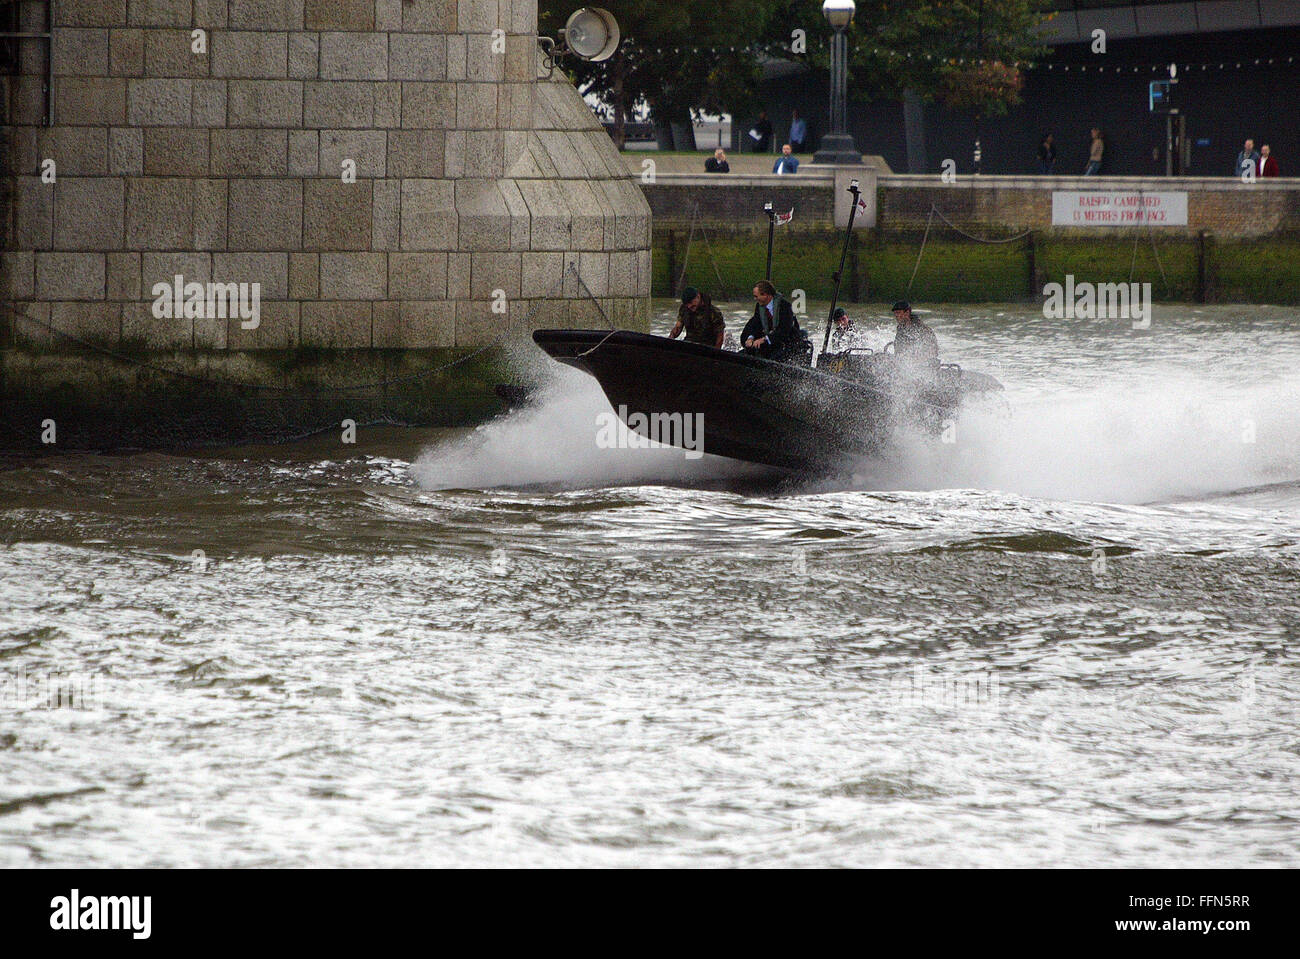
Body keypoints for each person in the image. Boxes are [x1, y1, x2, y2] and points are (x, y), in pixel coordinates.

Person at [741, 280, 802, 361]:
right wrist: (750, 338)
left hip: (786, 342)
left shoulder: (785, 306)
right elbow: (755, 324)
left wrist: (765, 339)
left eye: (756, 296)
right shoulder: (759, 307)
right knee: (745, 354)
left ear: (766, 295)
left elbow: (784, 329)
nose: (755, 299)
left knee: (775, 356)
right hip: (769, 344)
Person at [890, 301, 939, 377]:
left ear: (907, 313)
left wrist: (916, 359)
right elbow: (898, 349)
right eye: (895, 313)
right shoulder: (901, 328)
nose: (896, 316)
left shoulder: (921, 328)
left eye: (899, 313)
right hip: (906, 364)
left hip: (924, 366)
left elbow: (933, 349)